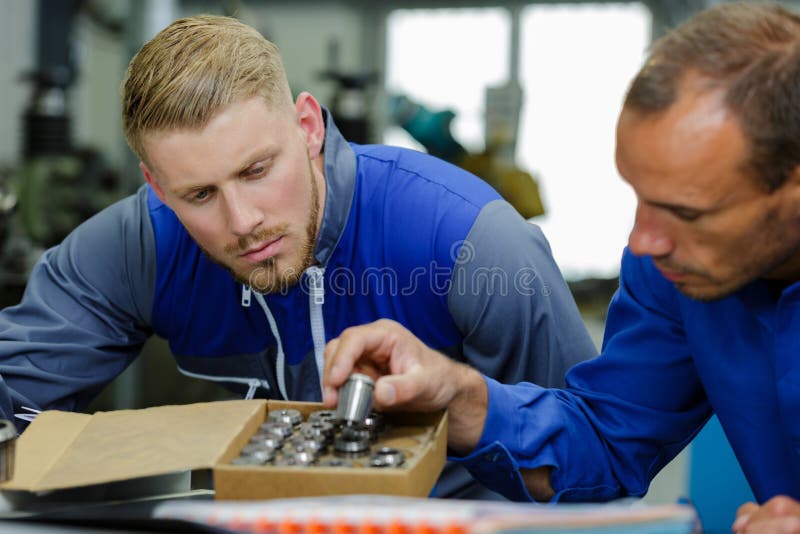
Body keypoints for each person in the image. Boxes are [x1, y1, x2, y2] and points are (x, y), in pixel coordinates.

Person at [0, 15, 597, 499]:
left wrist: (463, 402)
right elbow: (14, 402)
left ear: (308, 126)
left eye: (257, 170)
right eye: (199, 195)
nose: (242, 222)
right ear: (157, 186)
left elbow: (594, 457)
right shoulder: (139, 248)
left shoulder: (468, 240)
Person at [322, 0, 800, 529]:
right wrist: (459, 398)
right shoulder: (672, 273)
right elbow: (609, 443)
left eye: (687, 212)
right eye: (640, 196)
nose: (642, 242)